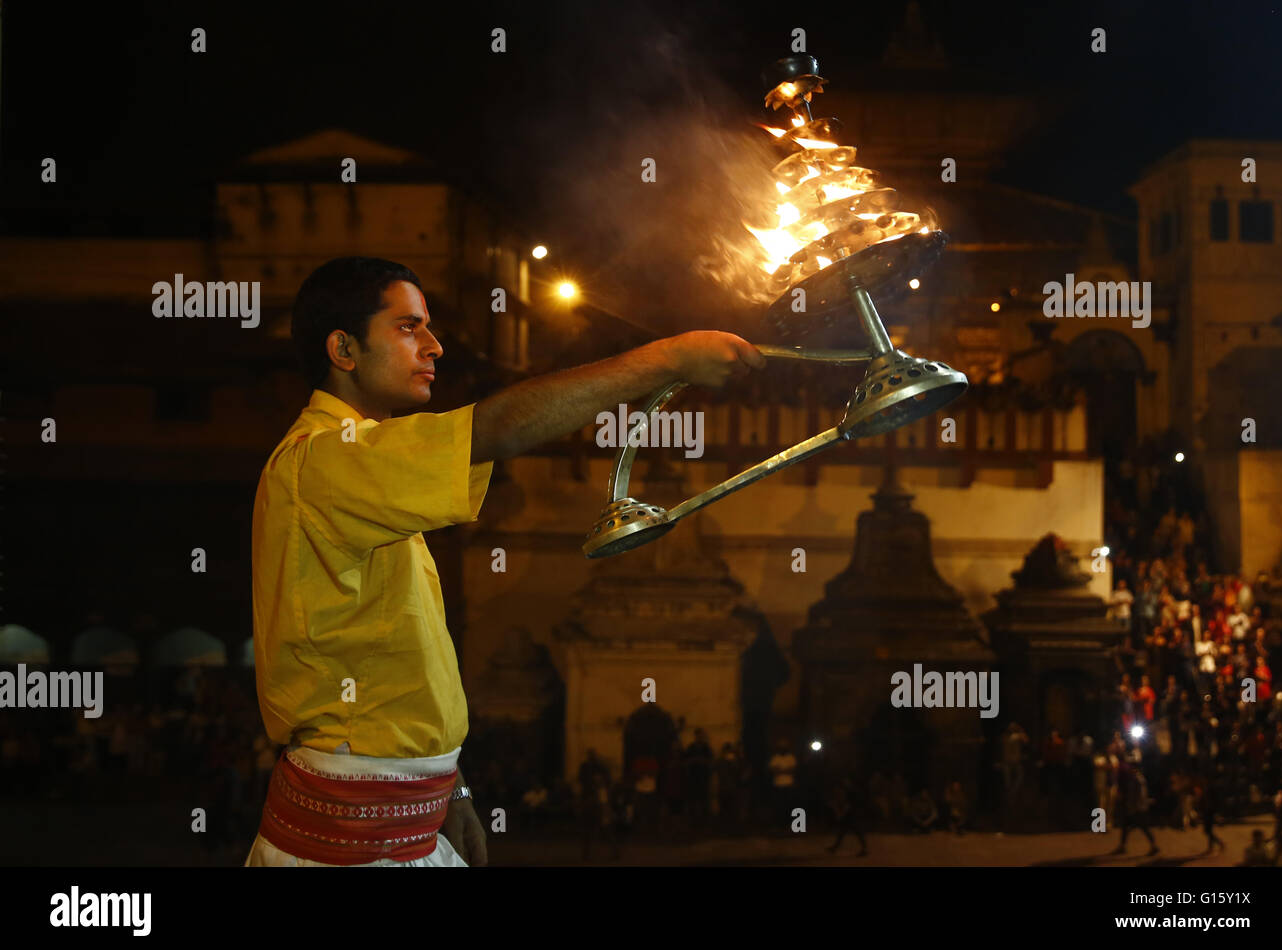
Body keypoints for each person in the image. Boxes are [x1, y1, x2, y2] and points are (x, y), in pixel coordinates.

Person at [244, 257, 765, 867]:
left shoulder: (369, 469)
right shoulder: (325, 462)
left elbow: (400, 666)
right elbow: (497, 428)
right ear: (344, 349)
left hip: (410, 821)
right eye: (408, 328)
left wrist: (452, 789)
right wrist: (668, 360)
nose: (434, 347)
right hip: (349, 847)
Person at [825, 777, 868, 856]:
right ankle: (835, 847)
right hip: (852, 813)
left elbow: (850, 804)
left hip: (854, 813)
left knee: (856, 830)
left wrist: (841, 814)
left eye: (846, 782)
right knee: (845, 830)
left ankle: (865, 849)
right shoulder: (849, 791)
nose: (845, 783)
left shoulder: (852, 792)